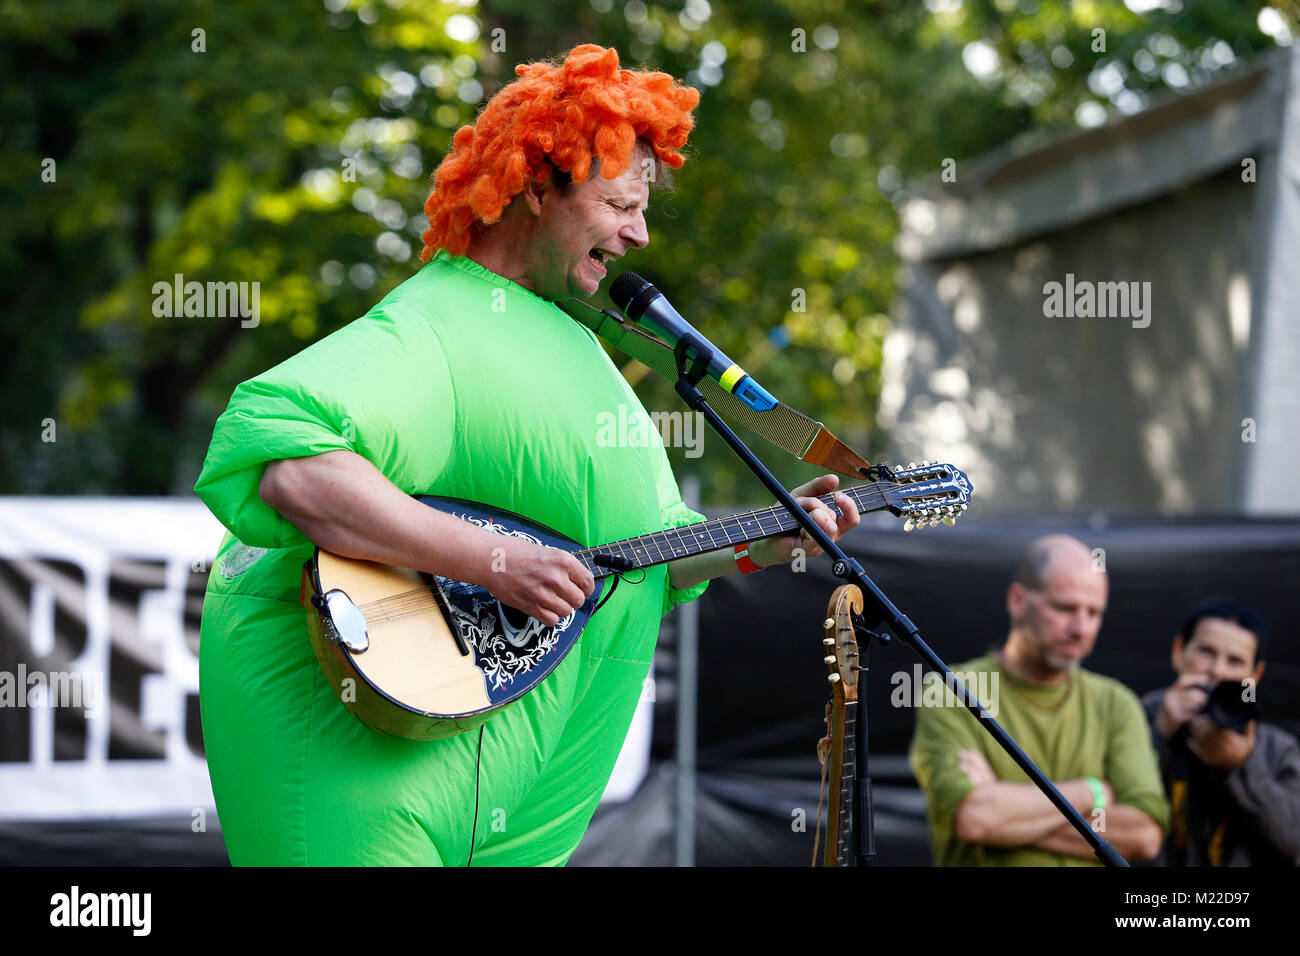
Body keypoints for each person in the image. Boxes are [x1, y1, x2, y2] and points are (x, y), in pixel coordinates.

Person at [193, 44, 860, 866]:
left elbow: (634, 555)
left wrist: (759, 545)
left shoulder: (584, 355)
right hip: (354, 753)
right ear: (540, 186)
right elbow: (290, 461)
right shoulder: (436, 325)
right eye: (620, 203)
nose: (640, 232)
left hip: (505, 775)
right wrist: (493, 559)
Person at [908, 534, 1168, 865]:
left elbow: (1144, 835)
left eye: (1094, 613)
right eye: (1064, 608)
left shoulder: (1117, 703)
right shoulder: (953, 690)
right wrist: (1093, 791)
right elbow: (975, 818)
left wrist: (1007, 815)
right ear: (1017, 600)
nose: (1081, 628)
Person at [1142, 598, 1300, 866]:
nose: (1217, 671)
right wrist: (1158, 737)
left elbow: (1293, 841)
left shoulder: (1276, 749)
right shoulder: (1134, 719)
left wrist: (1244, 766)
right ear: (1178, 651)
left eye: (1235, 661)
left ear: (1255, 675)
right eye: (1206, 652)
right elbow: (1101, 816)